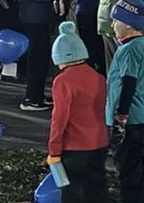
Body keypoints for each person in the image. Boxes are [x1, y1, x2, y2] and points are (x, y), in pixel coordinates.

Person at [47, 21, 109, 203]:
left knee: (73, 193)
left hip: (74, 147)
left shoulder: (63, 81)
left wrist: (54, 148)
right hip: (99, 143)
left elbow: (59, 118)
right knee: (97, 190)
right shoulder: (97, 77)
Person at [107, 0, 144, 203]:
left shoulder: (130, 50)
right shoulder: (136, 45)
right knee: (134, 168)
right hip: (137, 120)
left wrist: (120, 118)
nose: (113, 24)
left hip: (131, 121)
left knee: (127, 170)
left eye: (116, 20)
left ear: (128, 24)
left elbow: (129, 83)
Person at [17, 0, 55, 111]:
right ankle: (32, 98)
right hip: (35, 18)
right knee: (37, 58)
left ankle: (37, 95)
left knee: (40, 58)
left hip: (35, 17)